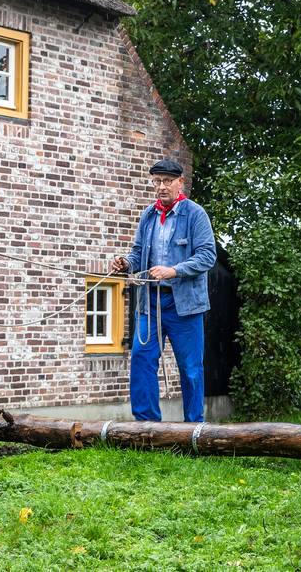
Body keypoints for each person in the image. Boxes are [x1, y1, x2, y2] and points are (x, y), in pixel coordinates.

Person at [110, 158, 216, 422]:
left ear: (180, 182)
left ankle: (195, 427)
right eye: (156, 181)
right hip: (150, 303)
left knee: (191, 369)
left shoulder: (195, 214)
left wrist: (174, 270)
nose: (161, 187)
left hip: (185, 306)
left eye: (167, 181)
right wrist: (126, 263)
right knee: (142, 360)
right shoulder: (148, 215)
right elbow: (137, 254)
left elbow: (207, 256)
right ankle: (146, 427)